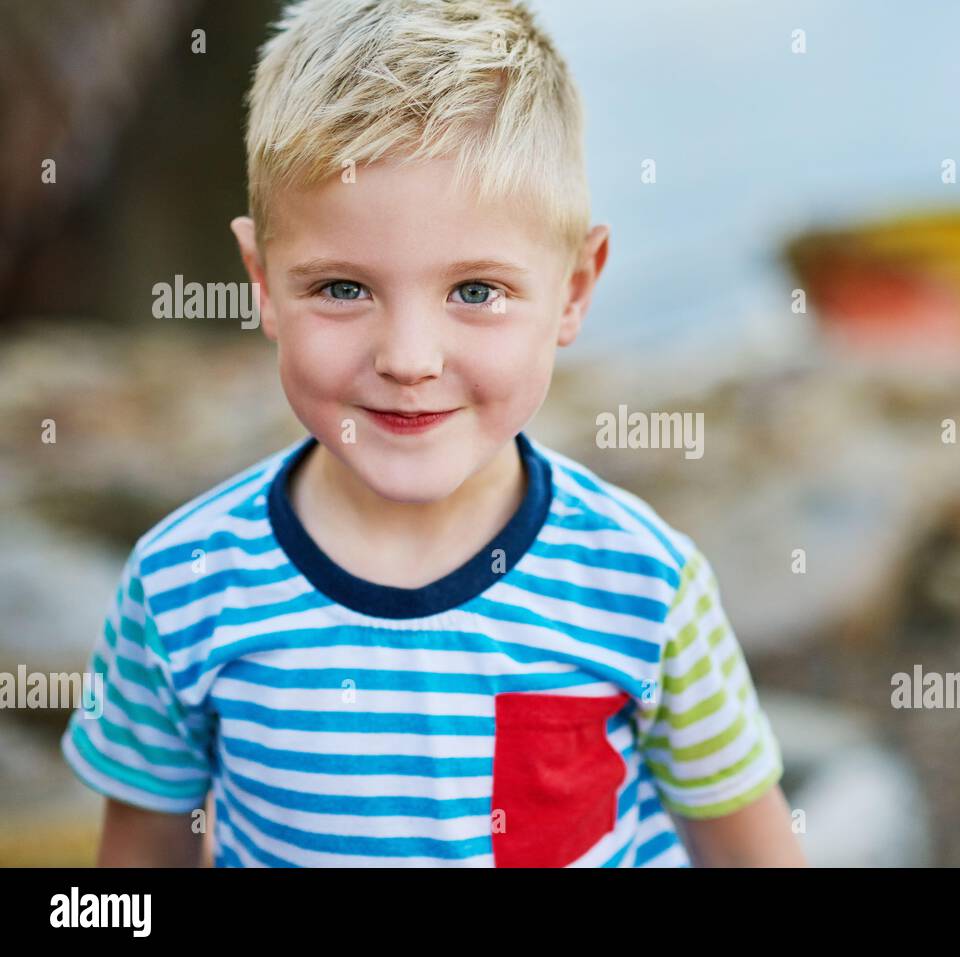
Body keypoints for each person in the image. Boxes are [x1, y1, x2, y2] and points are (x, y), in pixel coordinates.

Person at [61, 0, 804, 868]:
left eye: (476, 291)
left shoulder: (646, 587)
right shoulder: (181, 586)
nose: (409, 359)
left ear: (572, 290)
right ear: (261, 281)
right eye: (342, 288)